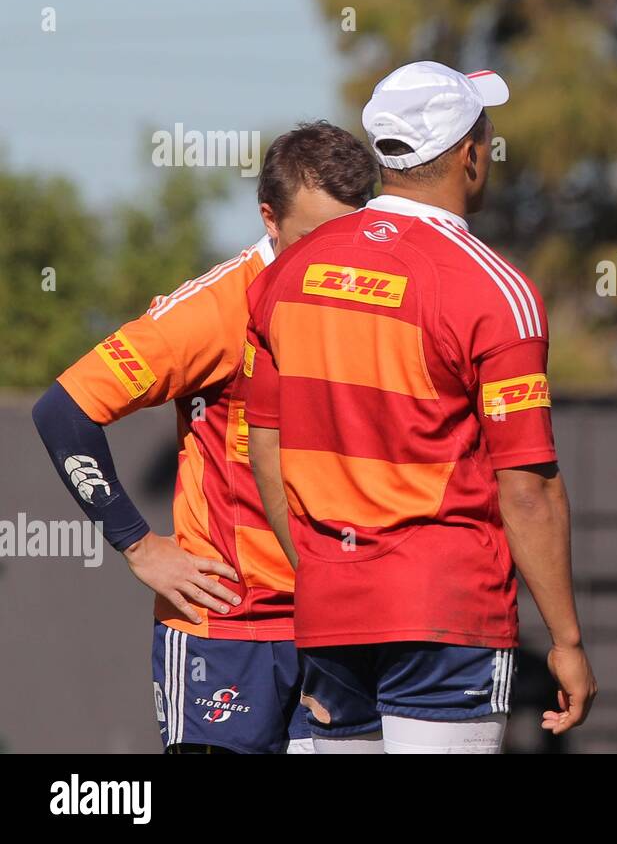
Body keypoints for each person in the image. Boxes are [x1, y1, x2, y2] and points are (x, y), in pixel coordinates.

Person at [244, 61, 596, 754]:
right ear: (469, 154)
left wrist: (319, 567)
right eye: (485, 138)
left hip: (331, 612)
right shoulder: (497, 290)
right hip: (446, 611)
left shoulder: (288, 273)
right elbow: (526, 490)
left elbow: (266, 447)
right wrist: (567, 639)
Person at [32, 122, 378, 753]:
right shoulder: (216, 310)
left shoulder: (379, 301)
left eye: (349, 236)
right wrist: (138, 547)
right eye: (313, 239)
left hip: (342, 625)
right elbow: (64, 410)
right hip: (227, 633)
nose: (334, 258)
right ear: (269, 219)